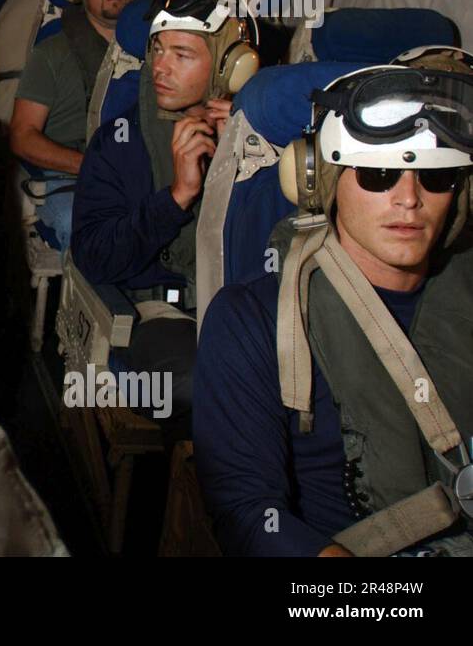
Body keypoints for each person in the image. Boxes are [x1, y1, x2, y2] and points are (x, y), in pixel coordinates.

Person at [195, 59, 473, 556]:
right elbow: (249, 510)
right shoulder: (251, 320)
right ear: (320, 180)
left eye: (437, 178)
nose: (409, 199)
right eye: (377, 173)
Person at [70, 0, 260, 433]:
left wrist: (248, 154)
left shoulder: (263, 141)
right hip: (165, 313)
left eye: (182, 54)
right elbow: (93, 257)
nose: (160, 67)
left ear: (228, 68)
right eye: (158, 49)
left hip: (247, 311)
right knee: (209, 384)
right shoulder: (120, 140)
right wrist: (176, 197)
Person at [8, 0, 154, 250]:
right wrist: (89, 164)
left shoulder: (158, 54)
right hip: (71, 176)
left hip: (142, 174)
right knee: (89, 229)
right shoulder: (51, 54)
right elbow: (22, 135)